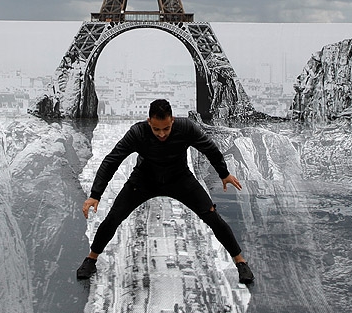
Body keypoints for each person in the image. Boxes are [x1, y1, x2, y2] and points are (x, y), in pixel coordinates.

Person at [77, 99, 255, 284]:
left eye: (166, 129)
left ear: (172, 121)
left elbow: (209, 148)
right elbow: (112, 160)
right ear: (149, 122)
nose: (161, 134)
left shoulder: (186, 128)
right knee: (114, 217)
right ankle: (91, 259)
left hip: (180, 179)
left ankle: (240, 262)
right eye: (156, 129)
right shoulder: (138, 133)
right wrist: (95, 195)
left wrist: (224, 173)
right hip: (144, 180)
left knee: (212, 216)